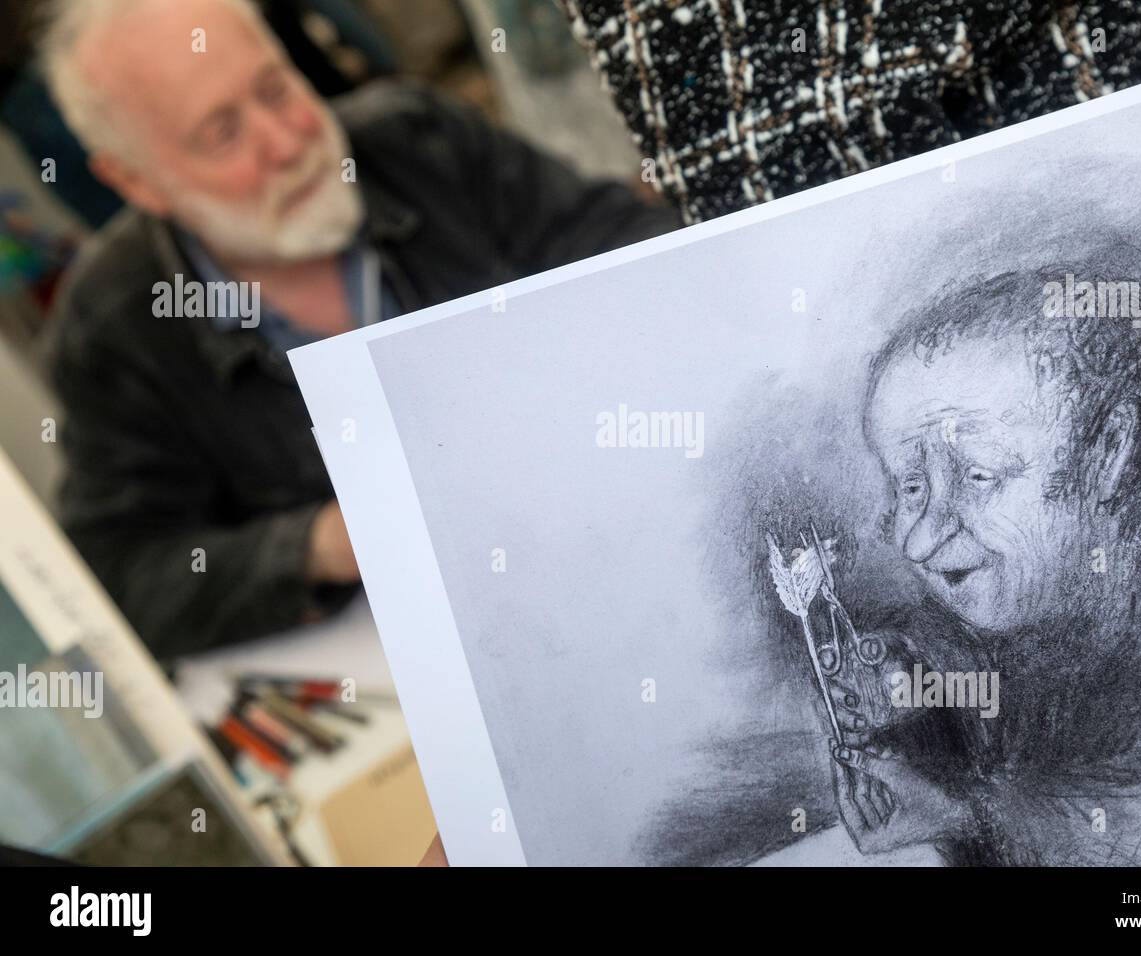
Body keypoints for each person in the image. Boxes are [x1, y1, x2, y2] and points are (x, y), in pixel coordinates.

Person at [38, 0, 678, 659]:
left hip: (608, 548)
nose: (287, 142)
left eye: (275, 88)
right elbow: (122, 573)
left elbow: (636, 253)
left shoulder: (417, 140)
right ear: (137, 181)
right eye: (223, 134)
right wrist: (325, 545)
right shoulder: (115, 328)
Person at [815, 235, 1141, 865]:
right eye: (912, 486)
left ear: (1109, 454)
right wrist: (924, 733)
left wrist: (973, 814)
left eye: (978, 475)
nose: (919, 537)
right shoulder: (963, 651)